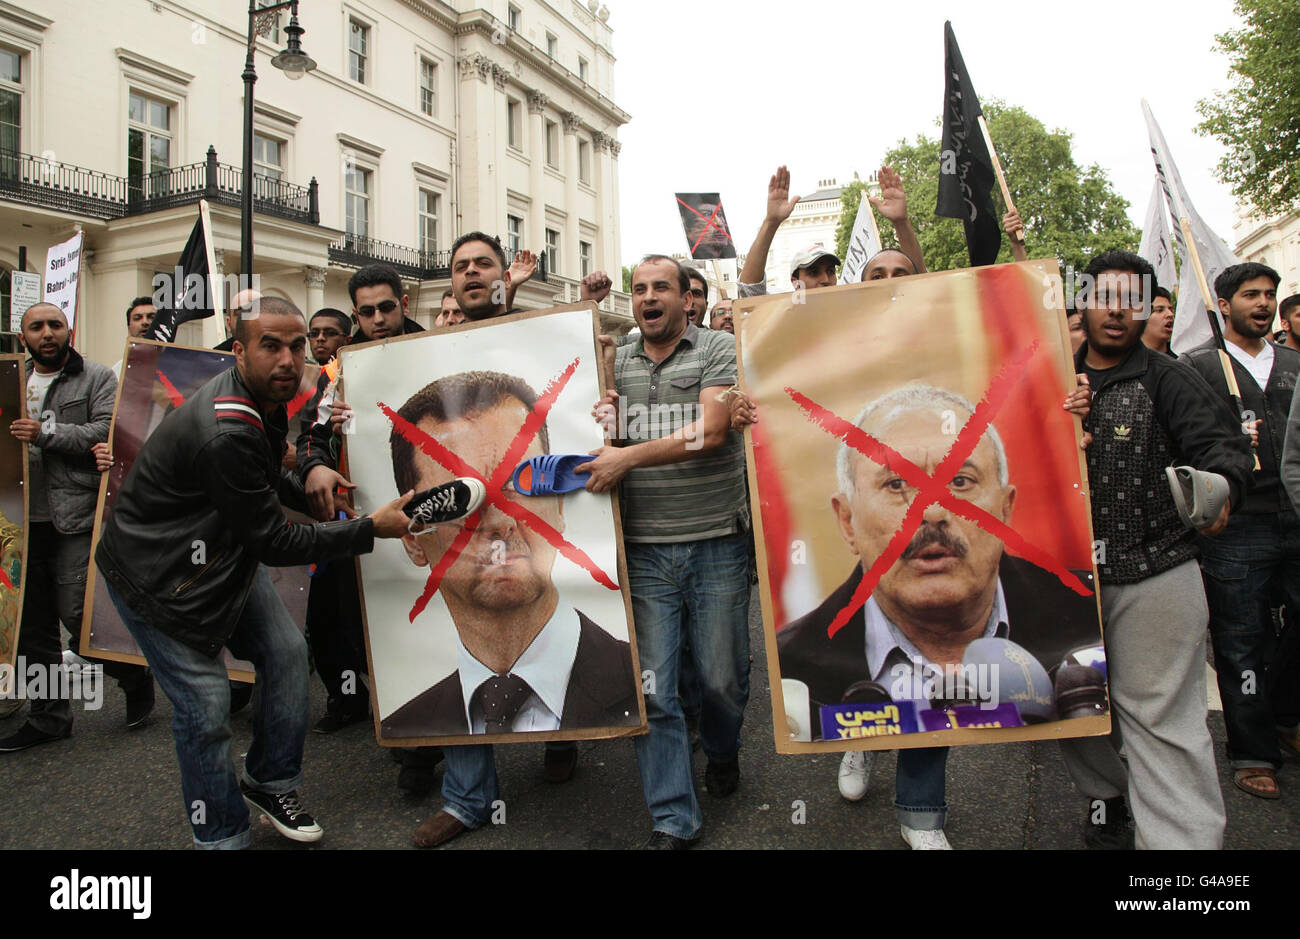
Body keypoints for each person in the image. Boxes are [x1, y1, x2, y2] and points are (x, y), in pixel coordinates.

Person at [93, 296, 414, 848]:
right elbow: (271, 538)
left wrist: (307, 482)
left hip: (217, 558)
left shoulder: (262, 401)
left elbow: (258, 485)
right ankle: (220, 834)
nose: (289, 359)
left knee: (289, 656)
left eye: (296, 345)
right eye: (271, 346)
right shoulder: (227, 428)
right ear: (239, 351)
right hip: (155, 579)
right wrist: (369, 529)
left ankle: (269, 781)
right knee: (206, 707)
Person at [1058, 249, 1254, 850]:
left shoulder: (1170, 378)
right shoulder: (1050, 376)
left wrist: (1221, 491)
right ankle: (1111, 800)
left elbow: (1222, 452)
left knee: (1162, 725)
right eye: (1105, 298)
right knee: (1071, 710)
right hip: (1066, 584)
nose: (1117, 313)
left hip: (1156, 574)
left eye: (1132, 301)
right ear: (1082, 302)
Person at [409, 232, 580, 849]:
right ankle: (466, 798)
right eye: (462, 267)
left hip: (538, 540)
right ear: (450, 282)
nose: (473, 274)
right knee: (461, 649)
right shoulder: (424, 351)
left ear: (505, 275)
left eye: (484, 264)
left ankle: (564, 733)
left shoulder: (538, 338)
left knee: (544, 612)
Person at [580, 254, 751, 849]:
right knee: (653, 687)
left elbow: (711, 431)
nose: (648, 297)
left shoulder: (716, 350)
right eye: (639, 289)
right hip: (644, 549)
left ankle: (724, 752)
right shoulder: (619, 357)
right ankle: (674, 818)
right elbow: (594, 422)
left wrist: (627, 457)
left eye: (661, 288)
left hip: (716, 542)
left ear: (685, 298)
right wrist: (604, 422)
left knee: (722, 679)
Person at [381, 371, 638, 737]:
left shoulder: (640, 680)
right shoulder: (404, 725)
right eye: (459, 499)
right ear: (412, 539)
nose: (499, 521)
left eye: (520, 484)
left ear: (559, 508)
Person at [296, 264, 438, 785]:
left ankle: (425, 747)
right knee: (354, 626)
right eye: (367, 311)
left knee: (425, 624)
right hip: (362, 522)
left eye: (387, 307)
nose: (378, 319)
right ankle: (389, 725)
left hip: (429, 514)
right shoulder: (340, 369)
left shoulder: (441, 348)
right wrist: (316, 463)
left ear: (404, 302)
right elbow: (310, 437)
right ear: (355, 313)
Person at [0, 303, 156, 752]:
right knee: (31, 628)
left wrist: (44, 435)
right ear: (23, 335)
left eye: (55, 325)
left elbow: (106, 431)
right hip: (19, 522)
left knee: (77, 616)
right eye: (37, 327)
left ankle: (132, 674)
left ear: (69, 329)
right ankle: (49, 717)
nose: (47, 333)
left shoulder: (96, 377)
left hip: (73, 515)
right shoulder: (13, 379)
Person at [1183, 262, 1300, 799]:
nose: (1263, 303)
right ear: (1224, 305)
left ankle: (1284, 711)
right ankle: (1253, 750)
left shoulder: (1296, 364)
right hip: (1238, 523)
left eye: (1269, 294)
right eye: (1250, 294)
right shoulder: (1197, 369)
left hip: (1296, 514)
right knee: (1240, 641)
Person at [738, 166, 926, 298]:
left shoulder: (855, 309)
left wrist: (901, 223)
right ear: (795, 282)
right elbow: (749, 292)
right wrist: (771, 223)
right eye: (813, 272)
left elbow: (924, 284)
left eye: (830, 271)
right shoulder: (784, 311)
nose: (825, 280)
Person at [112, 297, 156, 379]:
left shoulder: (179, 366)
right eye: (137, 318)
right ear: (129, 328)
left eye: (151, 317)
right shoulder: (118, 371)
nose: (145, 322)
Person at [1141, 287, 1176, 357]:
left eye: (1170, 309)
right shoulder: (1122, 361)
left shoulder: (1182, 363)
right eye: (1160, 310)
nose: (1170, 314)